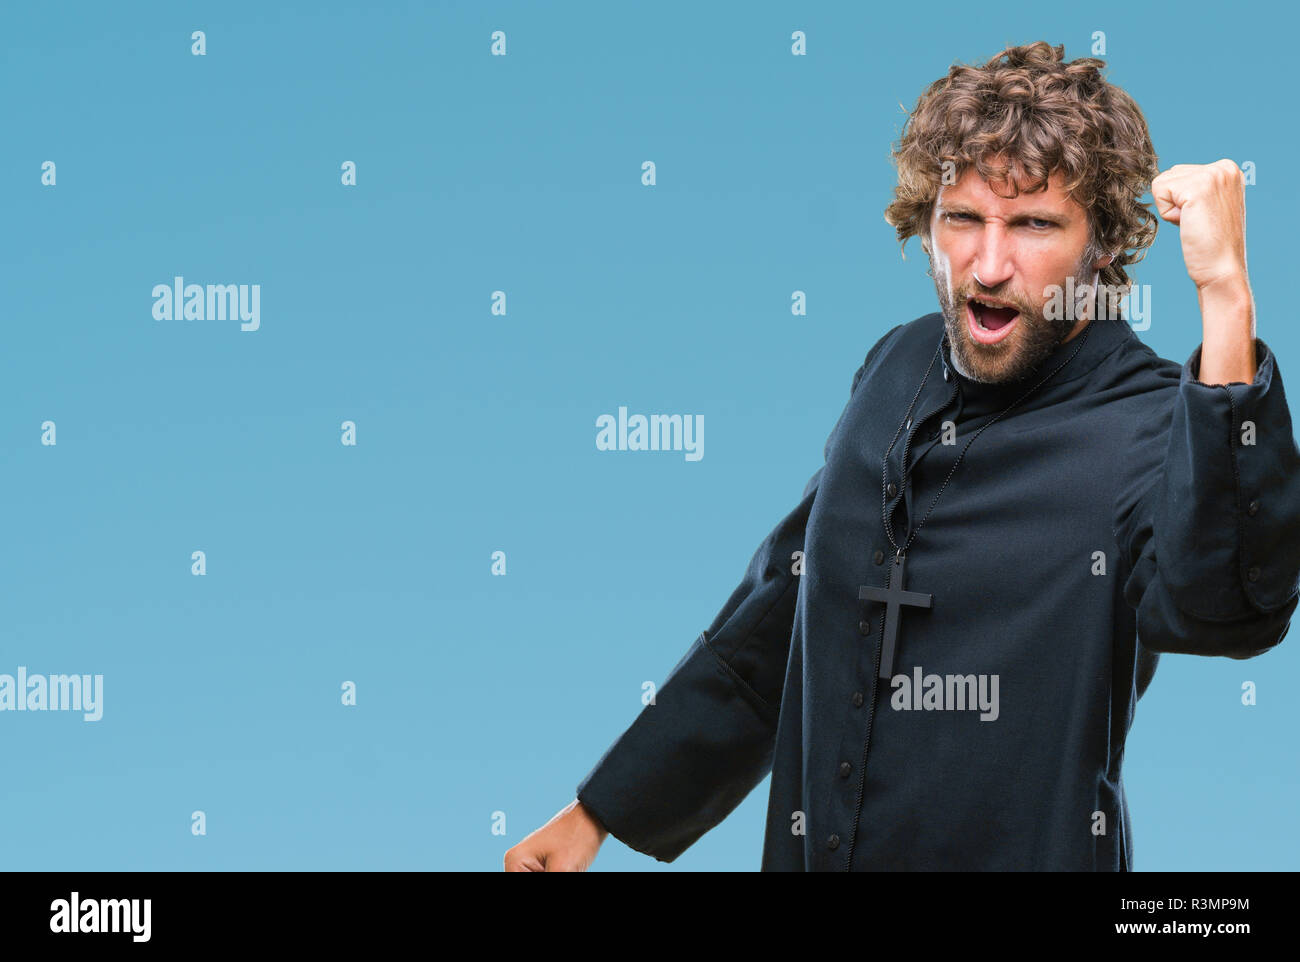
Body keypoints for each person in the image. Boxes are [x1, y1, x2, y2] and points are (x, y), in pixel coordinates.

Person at [505, 41, 1300, 872]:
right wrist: (601, 812)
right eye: (963, 219)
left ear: (1099, 244)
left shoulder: (1147, 421)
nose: (989, 268)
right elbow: (786, 605)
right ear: (926, 221)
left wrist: (1225, 297)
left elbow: (1229, 608)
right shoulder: (897, 363)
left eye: (1034, 225)